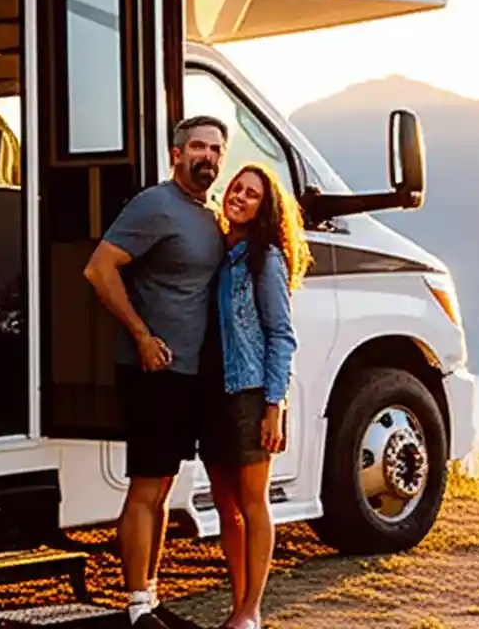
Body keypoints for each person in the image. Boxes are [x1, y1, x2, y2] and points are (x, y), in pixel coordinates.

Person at [82, 116, 228, 628]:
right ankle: (135, 606)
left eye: (215, 149)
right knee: (146, 487)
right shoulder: (154, 205)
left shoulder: (208, 216)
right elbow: (98, 269)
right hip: (153, 371)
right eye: (196, 148)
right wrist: (142, 336)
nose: (206, 157)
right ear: (175, 153)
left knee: (164, 487)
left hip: (190, 373)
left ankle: (151, 596)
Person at [198, 162, 313, 629]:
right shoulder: (214, 250)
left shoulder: (265, 259)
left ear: (265, 209)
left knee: (253, 503)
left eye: (252, 194)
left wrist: (274, 405)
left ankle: (251, 611)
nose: (239, 197)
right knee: (225, 508)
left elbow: (281, 335)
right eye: (237, 188)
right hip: (210, 393)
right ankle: (237, 604)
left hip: (248, 393)